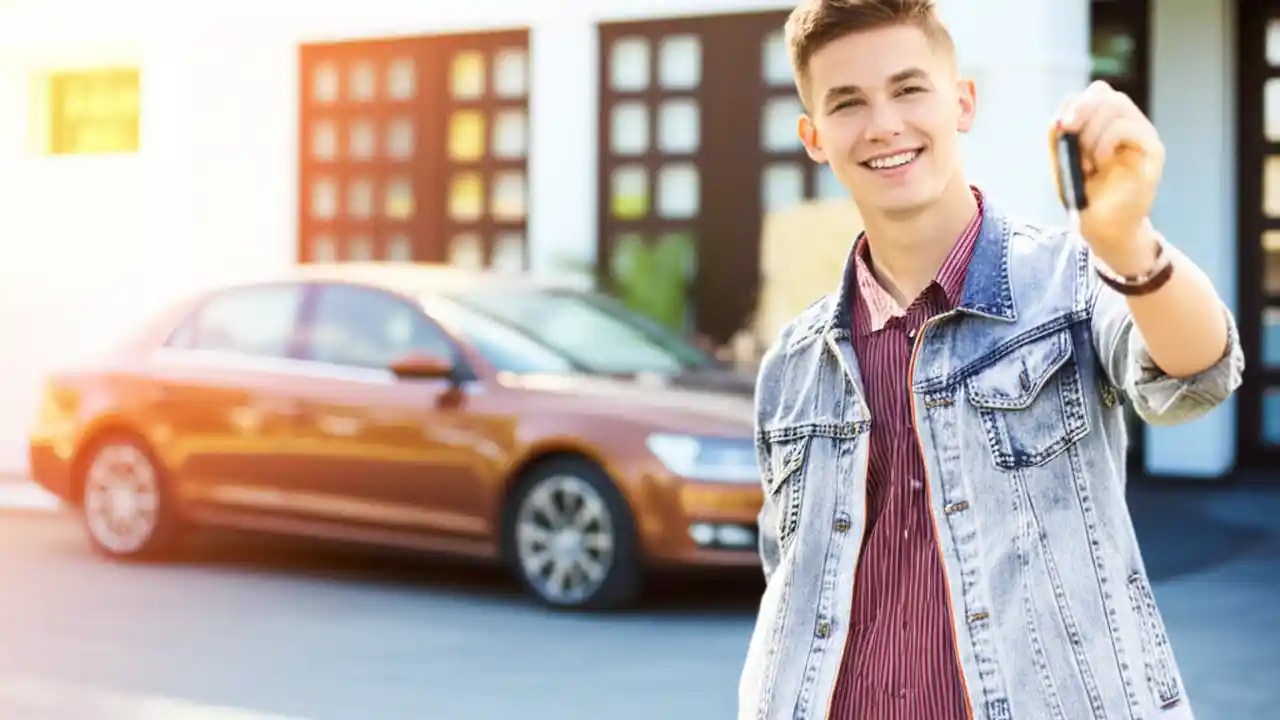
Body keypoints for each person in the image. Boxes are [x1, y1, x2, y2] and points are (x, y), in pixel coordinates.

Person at [737, 1, 1243, 719]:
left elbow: (1197, 376)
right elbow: (789, 595)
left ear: (962, 103)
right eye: (848, 104)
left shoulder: (1069, 279)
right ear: (814, 138)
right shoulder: (792, 366)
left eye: (909, 89)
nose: (883, 124)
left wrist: (1129, 242)